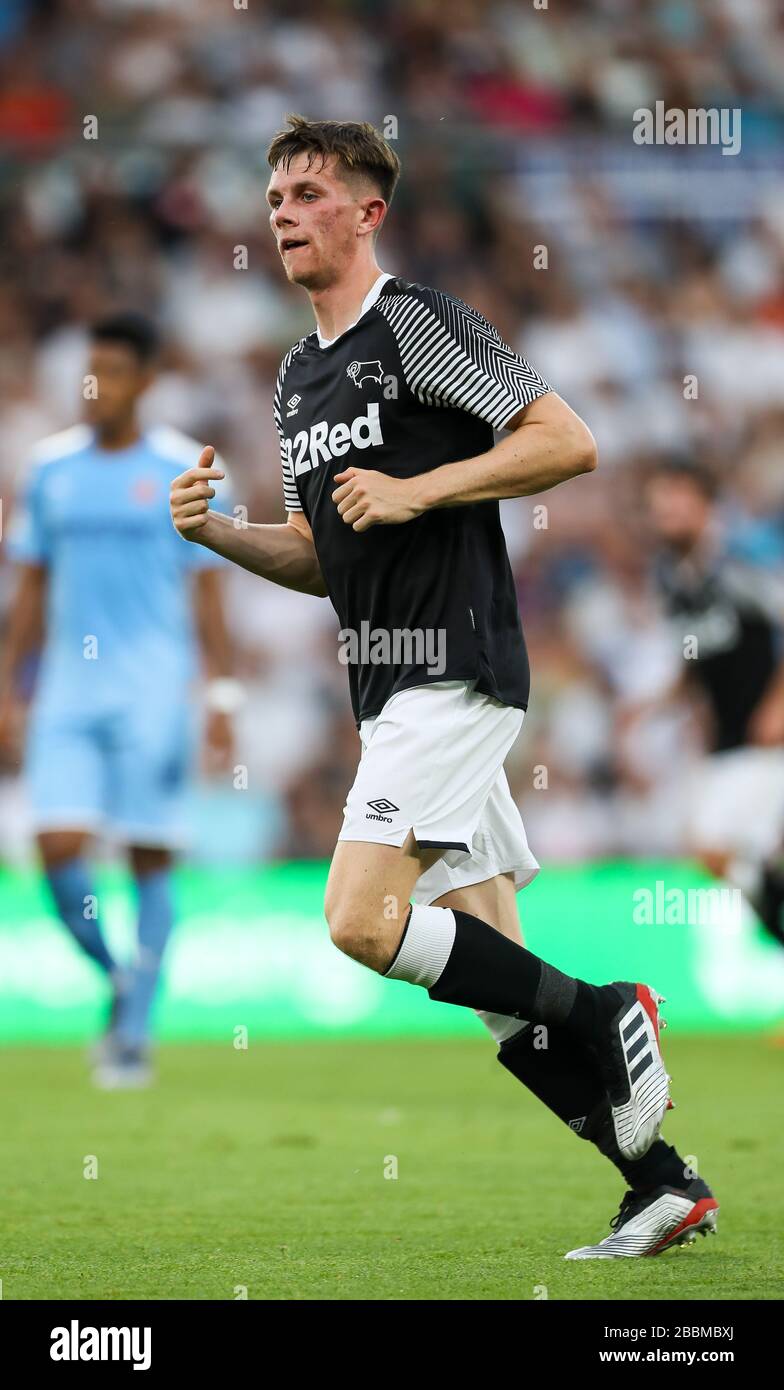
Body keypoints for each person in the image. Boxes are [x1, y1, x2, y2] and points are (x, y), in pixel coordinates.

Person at [170, 117, 717, 1258]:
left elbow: (565, 439)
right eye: (274, 191)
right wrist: (217, 532)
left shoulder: (412, 325)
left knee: (359, 923)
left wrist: (424, 491)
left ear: (367, 212)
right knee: (489, 987)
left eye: (309, 189)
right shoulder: (296, 377)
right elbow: (327, 555)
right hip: (390, 691)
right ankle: (660, 1181)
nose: (282, 208)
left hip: (453, 666)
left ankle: (608, 1006)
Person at [0, 312, 236, 1089]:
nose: (93, 385)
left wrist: (222, 697)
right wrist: (9, 684)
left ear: (146, 380)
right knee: (56, 852)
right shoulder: (49, 469)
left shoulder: (180, 467)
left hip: (153, 689)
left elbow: (208, 594)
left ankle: (133, 1031)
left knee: (147, 856)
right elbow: (30, 585)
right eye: (87, 369)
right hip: (68, 688)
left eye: (110, 370)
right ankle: (121, 979)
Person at [644, 459, 784, 947]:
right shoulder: (670, 581)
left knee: (718, 841)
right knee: (714, 848)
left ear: (706, 505)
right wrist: (654, 708)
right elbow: (698, 659)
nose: (666, 511)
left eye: (677, 498)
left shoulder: (741, 564)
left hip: (764, 738)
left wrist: (778, 704)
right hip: (726, 742)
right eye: (659, 503)